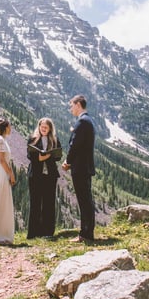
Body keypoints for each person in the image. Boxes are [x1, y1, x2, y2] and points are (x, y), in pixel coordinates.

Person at [61, 94, 96, 242]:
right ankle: (87, 233)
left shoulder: (81, 122)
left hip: (80, 167)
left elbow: (74, 146)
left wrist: (67, 162)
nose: (70, 109)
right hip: (86, 167)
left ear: (78, 104)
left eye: (71, 105)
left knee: (84, 201)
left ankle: (85, 234)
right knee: (86, 200)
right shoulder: (88, 121)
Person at [26, 117, 62, 239]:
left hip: (50, 176)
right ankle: (33, 233)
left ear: (50, 128)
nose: (44, 129)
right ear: (39, 127)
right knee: (35, 203)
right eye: (42, 127)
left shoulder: (55, 140)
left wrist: (43, 156)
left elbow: (58, 156)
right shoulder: (33, 139)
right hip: (35, 176)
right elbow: (30, 156)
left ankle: (47, 232)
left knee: (49, 203)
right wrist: (48, 156)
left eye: (46, 127)